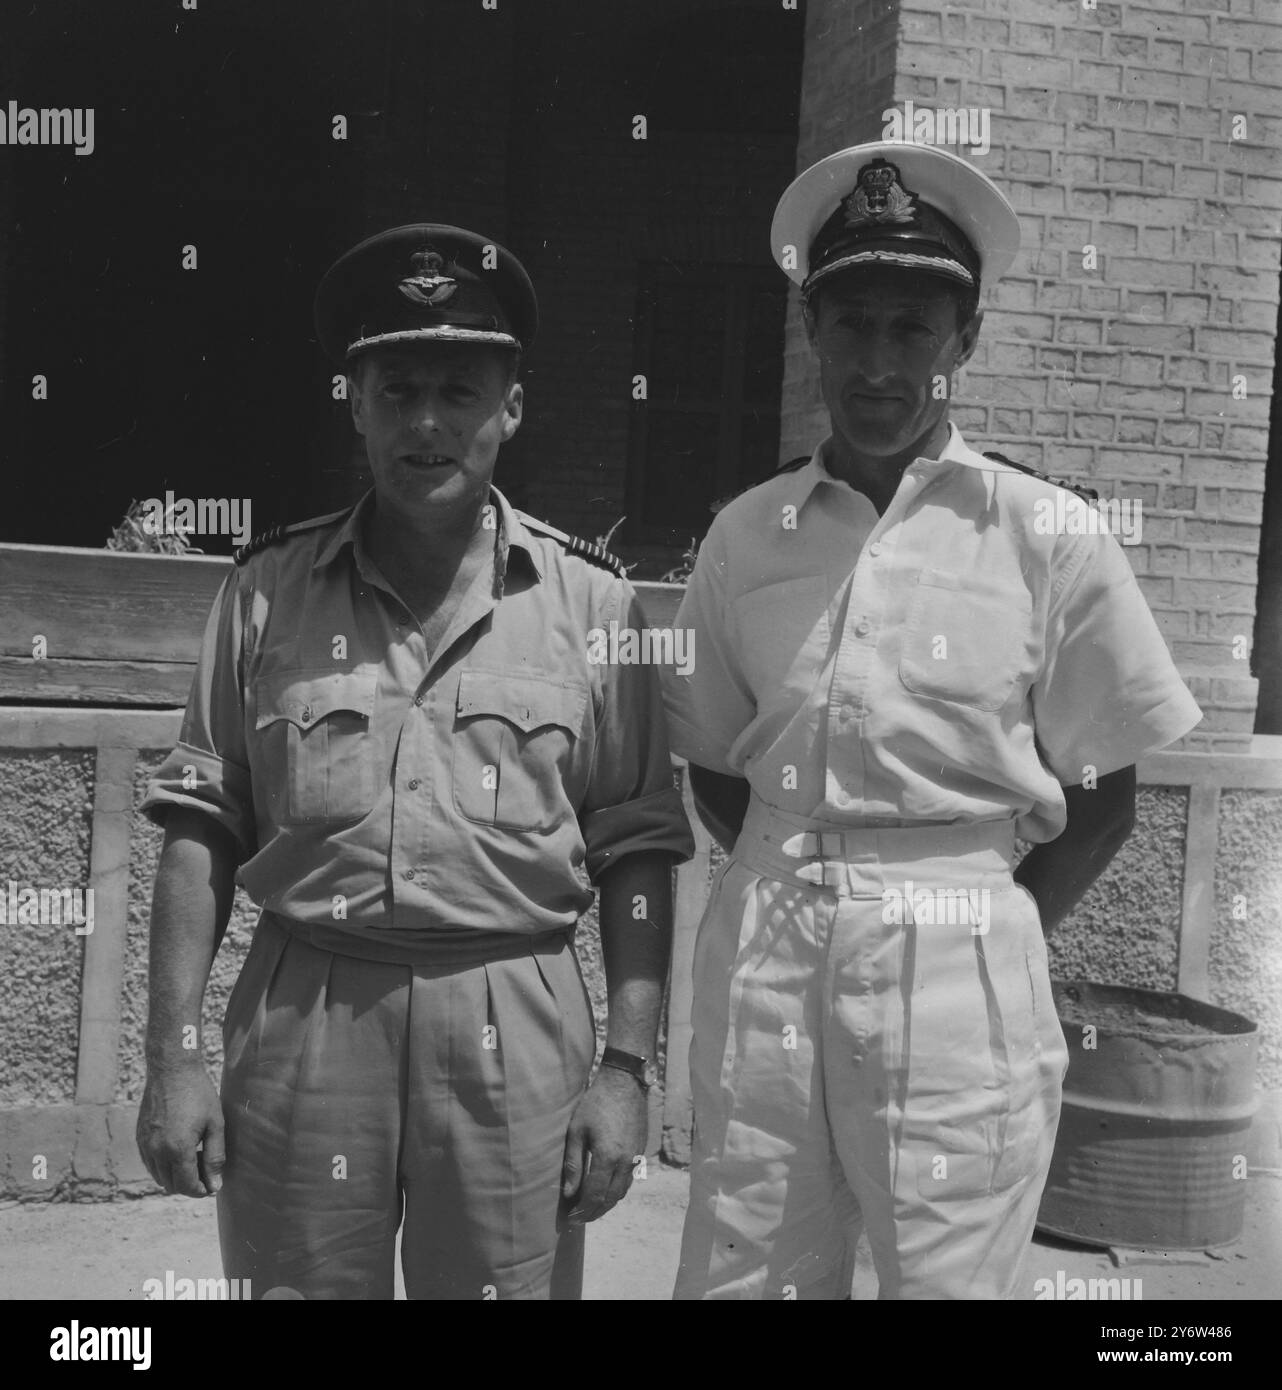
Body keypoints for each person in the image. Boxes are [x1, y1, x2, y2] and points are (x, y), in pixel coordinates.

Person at [661, 143, 1203, 1300]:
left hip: (961, 954)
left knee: (946, 1281)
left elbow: (1104, 796)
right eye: (851, 323)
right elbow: (715, 761)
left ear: (964, 341)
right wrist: (801, 861)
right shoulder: (747, 534)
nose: (877, 361)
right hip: (766, 947)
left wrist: (983, 921)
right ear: (811, 332)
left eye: (912, 328)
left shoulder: (1044, 534)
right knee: (745, 1269)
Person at [136, 223, 693, 1300]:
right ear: (355, 403)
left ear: (511, 407)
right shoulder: (265, 593)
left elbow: (638, 847)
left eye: (458, 391)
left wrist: (625, 1071)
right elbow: (200, 827)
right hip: (307, 1013)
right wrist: (174, 1058)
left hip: (512, 1017)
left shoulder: (594, 607)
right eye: (397, 390)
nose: (426, 422)